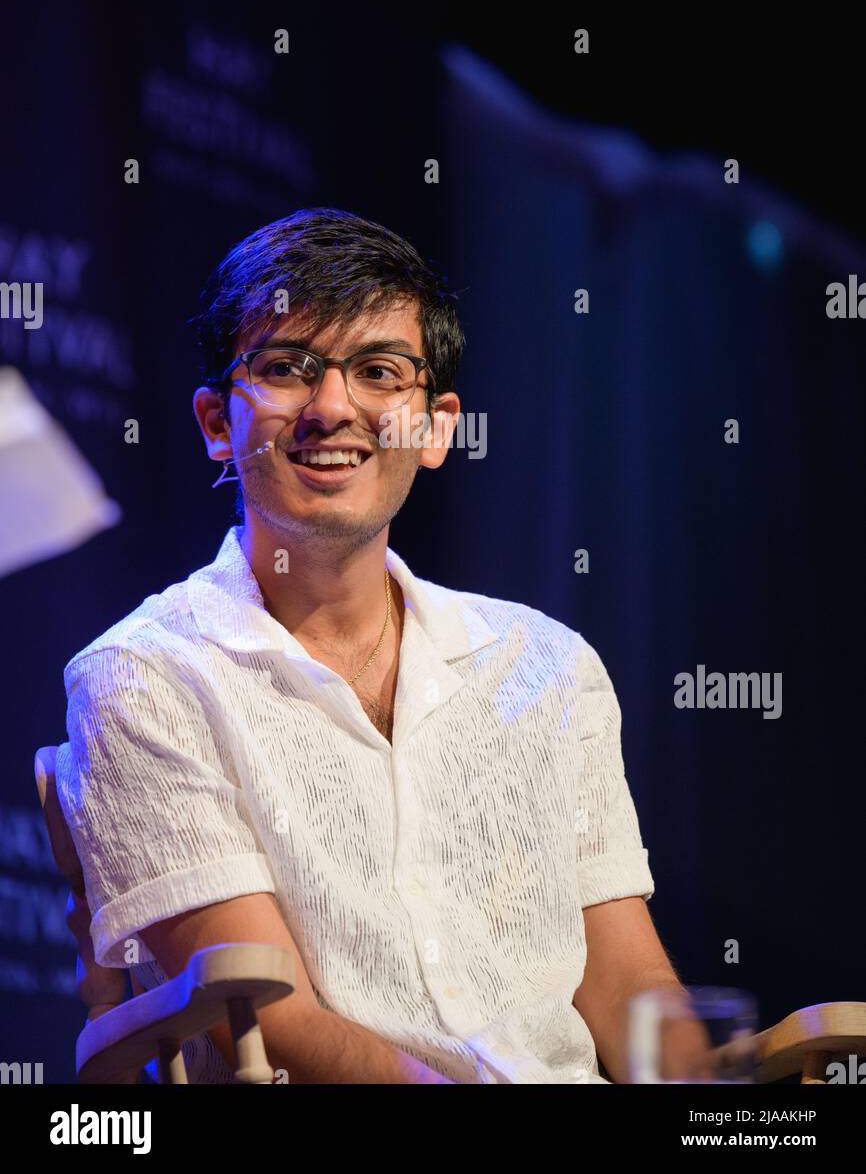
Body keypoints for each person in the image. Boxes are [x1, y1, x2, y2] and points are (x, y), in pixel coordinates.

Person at [57, 207, 700, 1084]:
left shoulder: (547, 667)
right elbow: (270, 1014)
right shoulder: (144, 677)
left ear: (436, 427)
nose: (333, 408)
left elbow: (633, 986)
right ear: (217, 422)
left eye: (378, 372)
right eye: (285, 368)